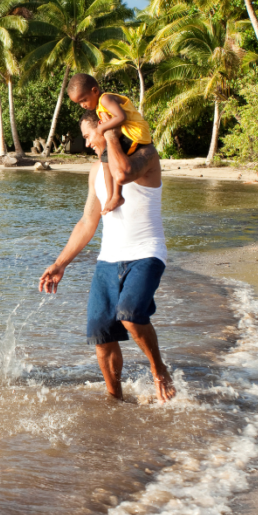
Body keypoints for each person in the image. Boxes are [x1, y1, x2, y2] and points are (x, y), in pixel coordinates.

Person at [39, 115, 175, 403]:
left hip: (146, 252)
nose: (87, 142)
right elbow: (88, 222)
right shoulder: (94, 172)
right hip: (108, 259)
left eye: (90, 135)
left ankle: (158, 368)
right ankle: (115, 401)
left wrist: (111, 136)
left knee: (130, 314)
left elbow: (123, 173)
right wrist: (60, 263)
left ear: (108, 128)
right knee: (101, 333)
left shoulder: (145, 156)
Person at [66, 73, 156, 215]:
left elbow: (121, 116)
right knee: (105, 159)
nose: (83, 105)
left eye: (84, 100)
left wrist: (101, 128)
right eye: (79, 103)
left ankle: (117, 196)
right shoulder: (99, 105)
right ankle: (111, 195)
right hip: (127, 132)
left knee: (115, 160)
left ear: (95, 91)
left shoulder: (105, 99)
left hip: (134, 133)